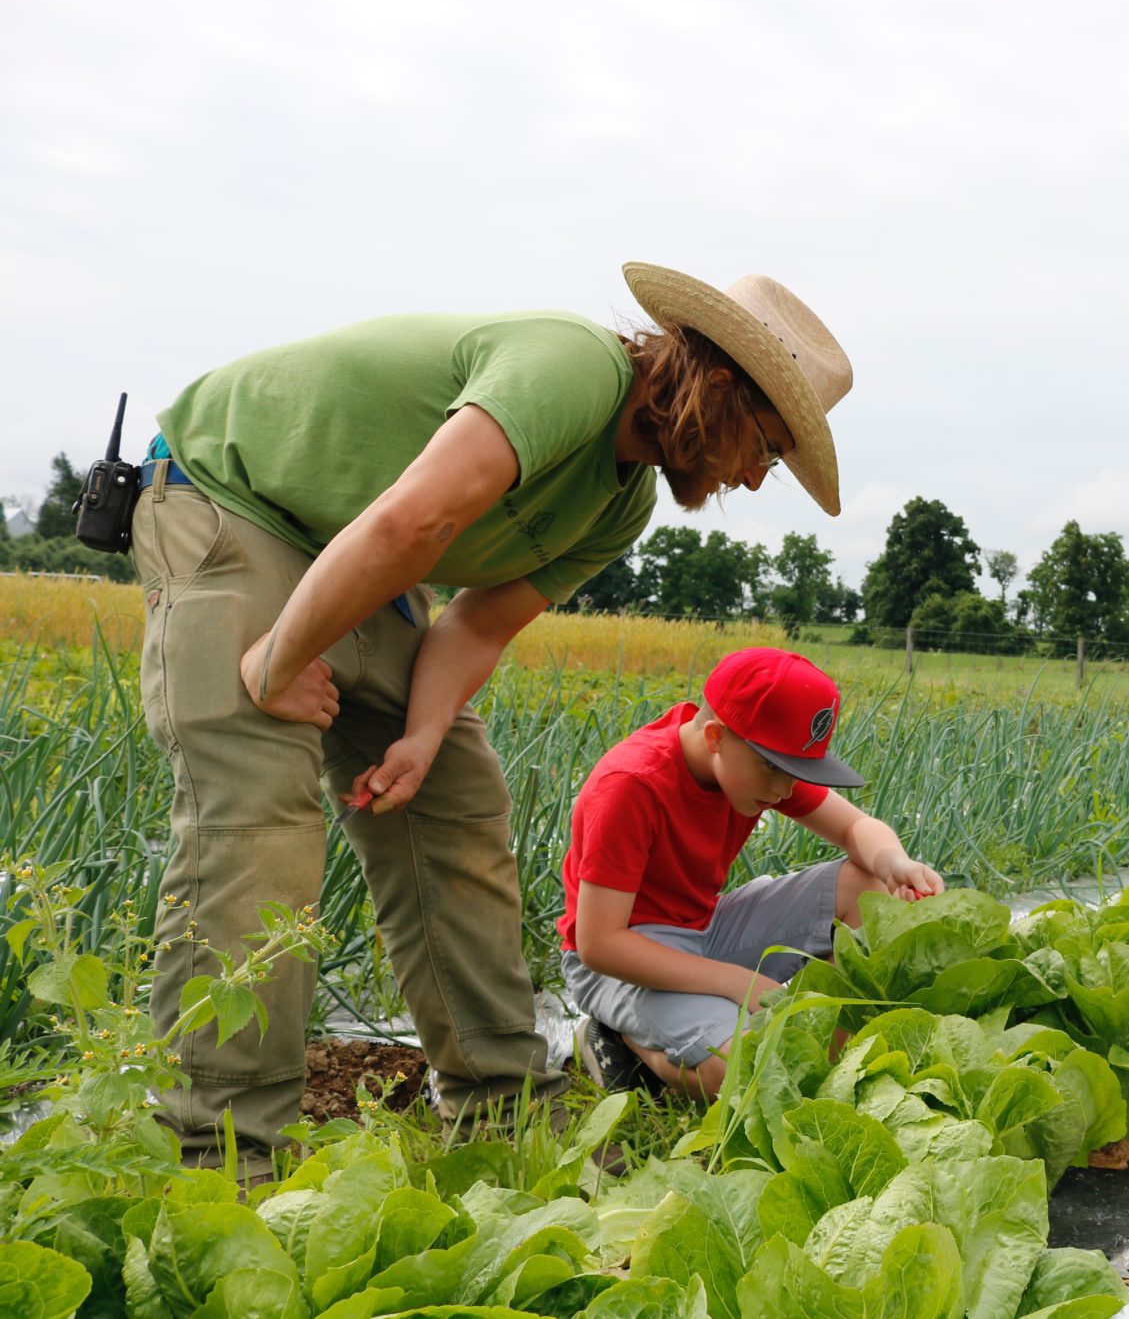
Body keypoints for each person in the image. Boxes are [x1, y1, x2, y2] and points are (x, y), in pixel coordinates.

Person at [133, 262, 853, 1178]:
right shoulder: (572, 369)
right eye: (765, 445)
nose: (755, 479)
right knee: (258, 811)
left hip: (355, 551)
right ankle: (223, 1155)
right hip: (229, 499)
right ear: (718, 388)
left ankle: (500, 1110)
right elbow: (415, 521)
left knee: (458, 792)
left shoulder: (618, 500)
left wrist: (422, 737)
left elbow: (475, 622)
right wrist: (274, 663)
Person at [558, 647, 944, 1098]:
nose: (784, 789)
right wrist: (738, 983)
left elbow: (856, 826)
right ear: (716, 737)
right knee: (744, 1071)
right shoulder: (631, 785)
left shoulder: (751, 766)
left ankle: (835, 1057)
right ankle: (620, 1038)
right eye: (774, 768)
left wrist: (893, 861)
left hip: (705, 928)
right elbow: (598, 944)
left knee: (869, 886)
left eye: (797, 770)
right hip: (621, 959)